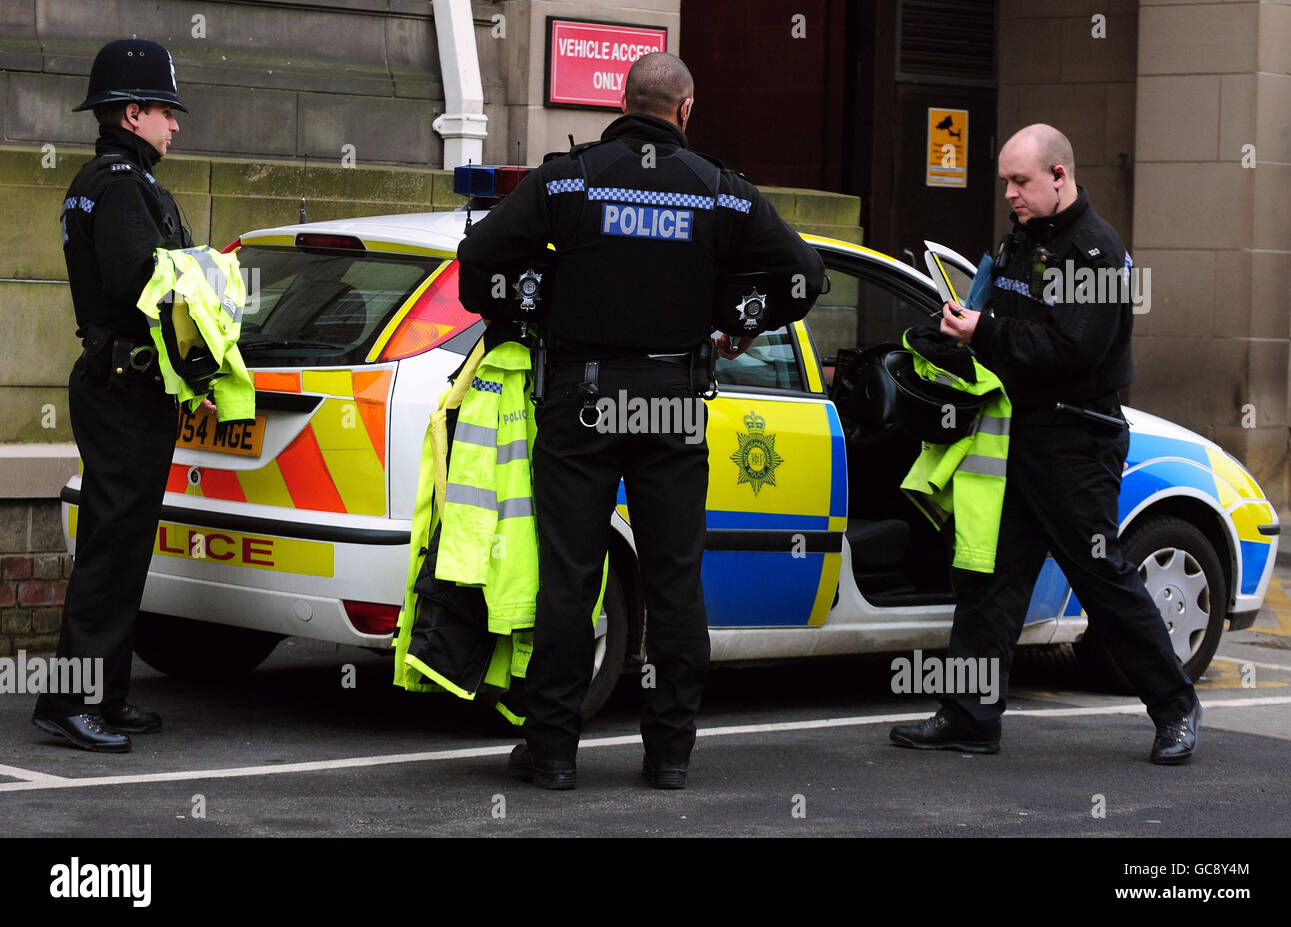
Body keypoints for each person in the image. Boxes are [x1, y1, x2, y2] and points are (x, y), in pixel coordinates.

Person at [457, 52, 824, 789]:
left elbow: (479, 264)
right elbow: (804, 279)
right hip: (673, 397)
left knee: (570, 577)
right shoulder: (721, 193)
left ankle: (554, 751)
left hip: (582, 396)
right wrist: (733, 313)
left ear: (620, 103)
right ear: (685, 111)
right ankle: (670, 754)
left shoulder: (569, 177)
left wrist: (547, 297)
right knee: (674, 581)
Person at [889, 124, 1202, 764]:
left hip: (1076, 440)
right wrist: (949, 337)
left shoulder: (1097, 254)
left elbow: (1071, 350)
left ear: (1060, 175)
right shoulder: (1020, 245)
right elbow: (998, 326)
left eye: (1021, 181)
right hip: (1016, 434)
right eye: (1006, 181)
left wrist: (986, 332)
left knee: (1101, 579)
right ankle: (969, 718)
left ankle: (1175, 706)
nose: (1010, 193)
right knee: (989, 578)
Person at [33, 39, 193, 752]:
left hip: (119, 383)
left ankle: (105, 693)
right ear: (132, 113)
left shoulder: (95, 179)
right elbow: (150, 286)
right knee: (111, 546)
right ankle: (70, 701)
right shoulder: (125, 183)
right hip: (126, 386)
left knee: (121, 543)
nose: (175, 126)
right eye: (166, 111)